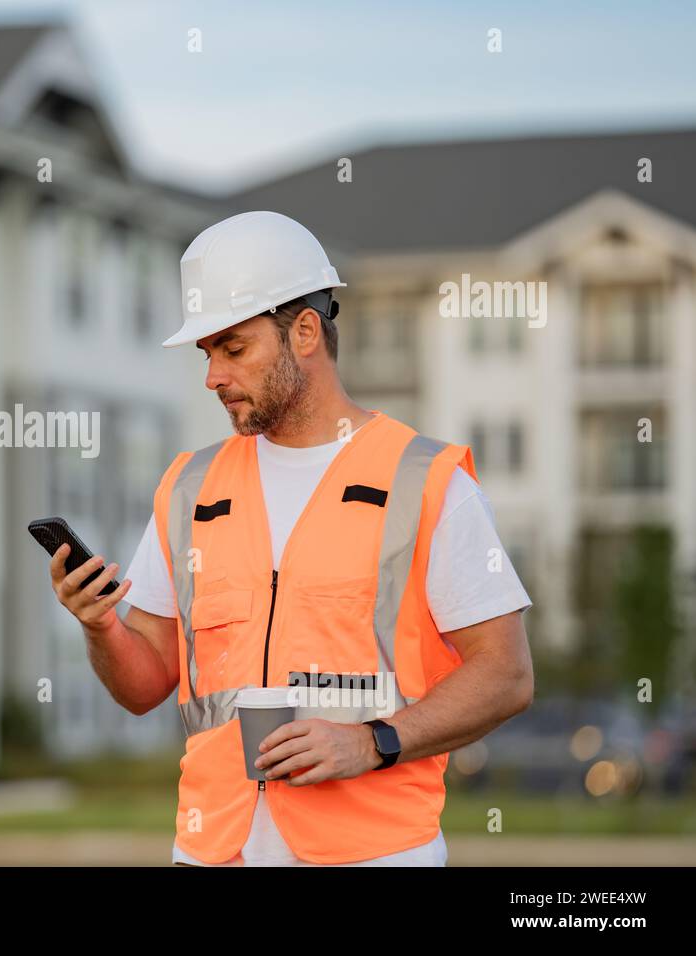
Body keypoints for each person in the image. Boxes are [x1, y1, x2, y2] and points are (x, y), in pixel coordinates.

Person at [48, 211, 534, 867]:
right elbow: (145, 686)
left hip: (375, 853)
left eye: (233, 348)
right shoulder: (188, 489)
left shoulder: (428, 483)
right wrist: (101, 627)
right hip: (213, 849)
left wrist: (371, 741)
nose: (213, 376)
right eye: (207, 353)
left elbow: (505, 676)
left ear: (305, 331)